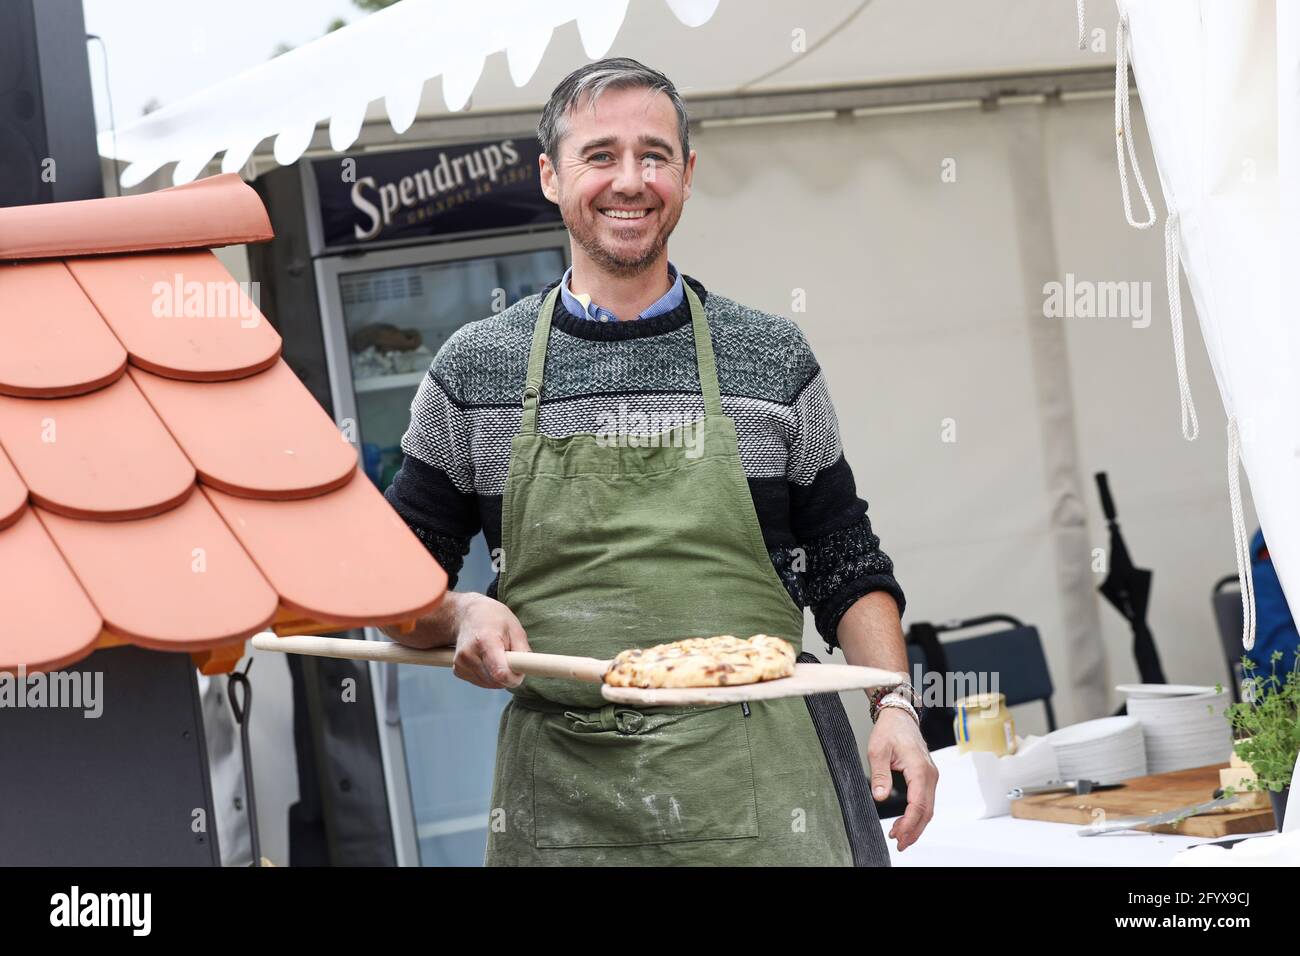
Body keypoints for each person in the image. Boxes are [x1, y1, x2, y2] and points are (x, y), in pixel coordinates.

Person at [382, 57, 935, 865]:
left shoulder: (771, 359)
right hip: (565, 806)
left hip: (760, 790)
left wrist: (895, 707)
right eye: (600, 155)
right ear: (550, 176)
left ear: (687, 173)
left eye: (655, 155)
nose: (630, 181)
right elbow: (393, 584)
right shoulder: (475, 370)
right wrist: (462, 613)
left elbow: (847, 563)